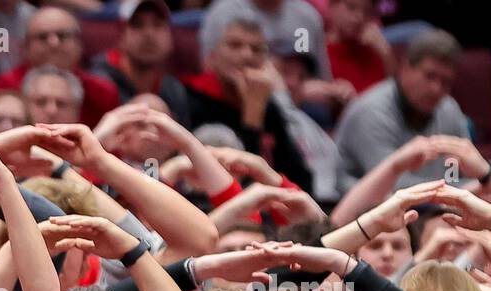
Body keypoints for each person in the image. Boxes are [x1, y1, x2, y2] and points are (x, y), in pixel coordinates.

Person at [183, 17, 313, 194]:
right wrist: (252, 114)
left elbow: (302, 180)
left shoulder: (269, 106)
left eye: (257, 49)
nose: (247, 55)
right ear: (212, 56)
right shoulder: (191, 99)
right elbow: (233, 181)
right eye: (235, 45)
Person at [334, 30, 472, 190]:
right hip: (365, 211)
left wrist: (464, 184)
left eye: (446, 81)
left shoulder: (448, 109)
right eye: (430, 76)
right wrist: (465, 189)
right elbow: (391, 186)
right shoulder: (371, 112)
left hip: (433, 208)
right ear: (405, 68)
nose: (436, 89)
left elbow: (460, 172)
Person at [0, 5, 119, 127]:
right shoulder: (6, 87)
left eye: (62, 35)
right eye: (42, 37)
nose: (54, 43)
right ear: (25, 47)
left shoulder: (102, 92)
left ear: (79, 44)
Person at [92, 0, 190, 126]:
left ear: (171, 38)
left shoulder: (173, 89)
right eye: (137, 25)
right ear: (120, 36)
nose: (149, 34)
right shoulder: (98, 85)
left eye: (158, 24)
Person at [200, 0, 331, 82]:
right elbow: (209, 69)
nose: (246, 54)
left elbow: (322, 78)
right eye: (236, 45)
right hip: (235, 99)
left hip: (301, 103)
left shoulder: (307, 16)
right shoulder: (223, 12)